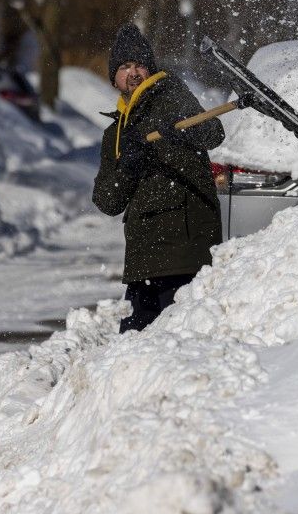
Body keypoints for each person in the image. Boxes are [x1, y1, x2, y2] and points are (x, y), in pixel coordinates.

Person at [93, 24, 225, 333]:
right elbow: (108, 201)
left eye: (139, 64)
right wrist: (127, 166)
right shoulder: (115, 134)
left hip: (186, 251)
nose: (134, 72)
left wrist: (180, 128)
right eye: (125, 66)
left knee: (179, 337)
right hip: (143, 259)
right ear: (114, 77)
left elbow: (213, 133)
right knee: (138, 346)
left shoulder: (171, 96)